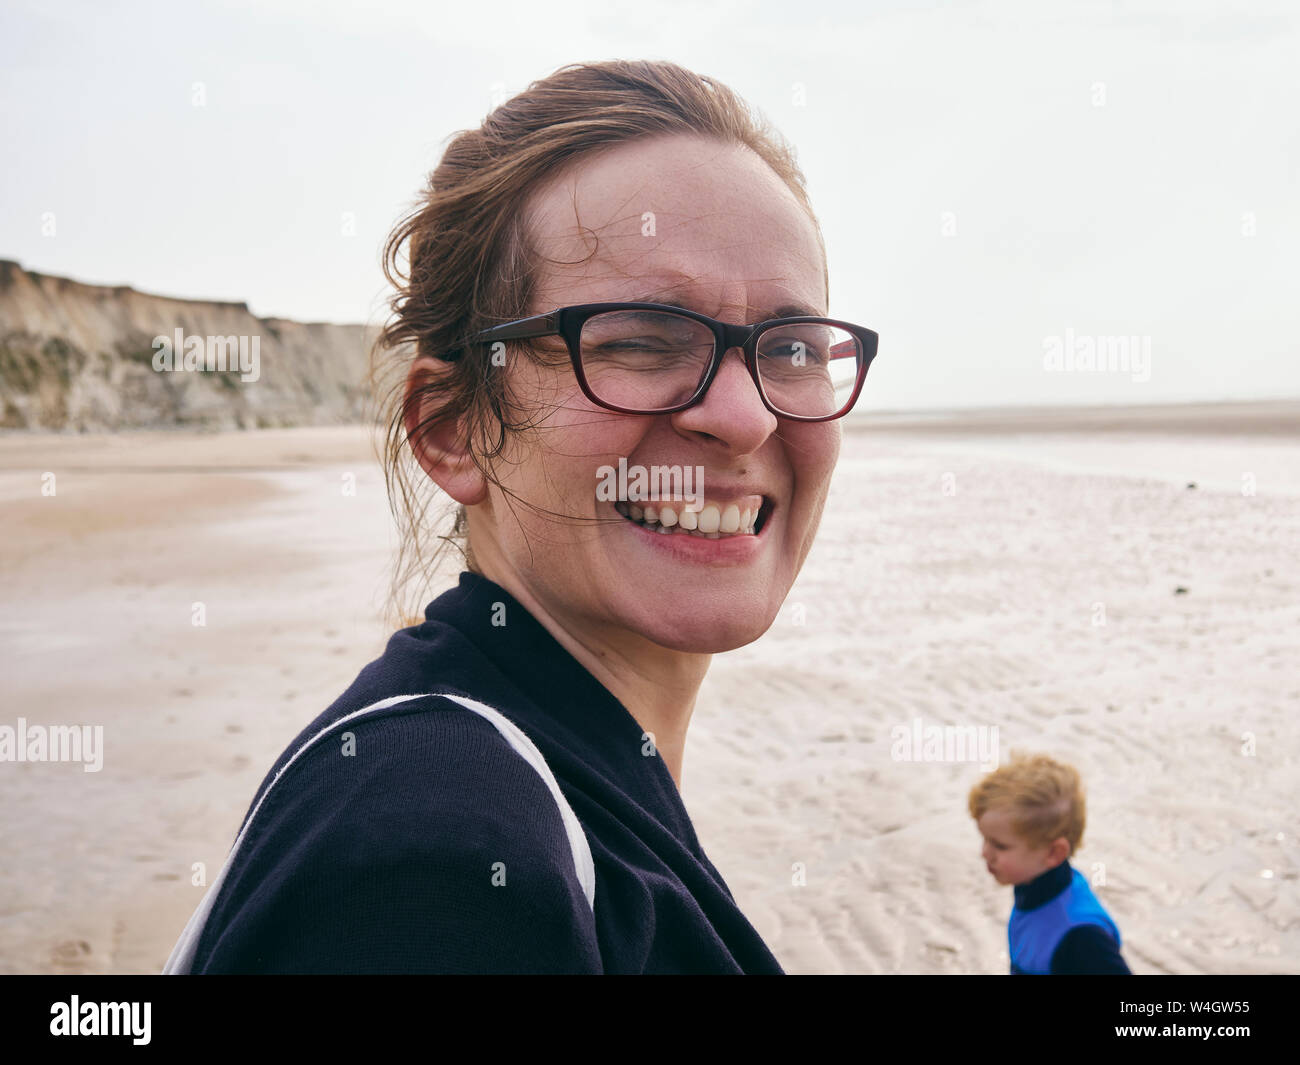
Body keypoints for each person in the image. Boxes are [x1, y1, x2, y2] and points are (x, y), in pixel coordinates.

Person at [162, 58, 878, 974]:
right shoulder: (436, 849)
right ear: (456, 430)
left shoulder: (555, 783)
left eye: (789, 347)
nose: (745, 416)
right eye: (640, 338)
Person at [969, 752, 1131, 975]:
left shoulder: (1082, 939)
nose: (985, 853)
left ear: (1054, 853)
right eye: (985, 839)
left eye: (1000, 846)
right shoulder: (1035, 885)